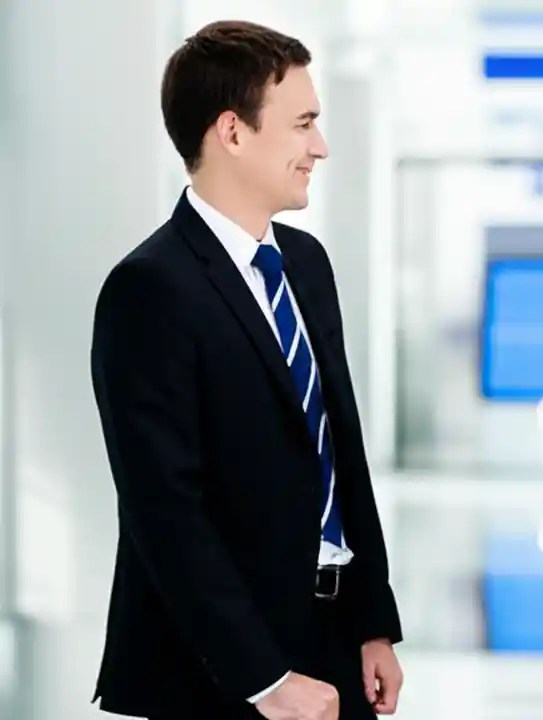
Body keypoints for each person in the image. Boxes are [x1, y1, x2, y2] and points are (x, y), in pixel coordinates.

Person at [90, 20, 403, 720]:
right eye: (303, 124)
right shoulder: (149, 289)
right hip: (219, 670)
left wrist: (373, 620)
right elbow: (164, 509)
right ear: (232, 132)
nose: (319, 146)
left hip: (332, 641)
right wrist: (263, 678)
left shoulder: (307, 264)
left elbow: (340, 451)